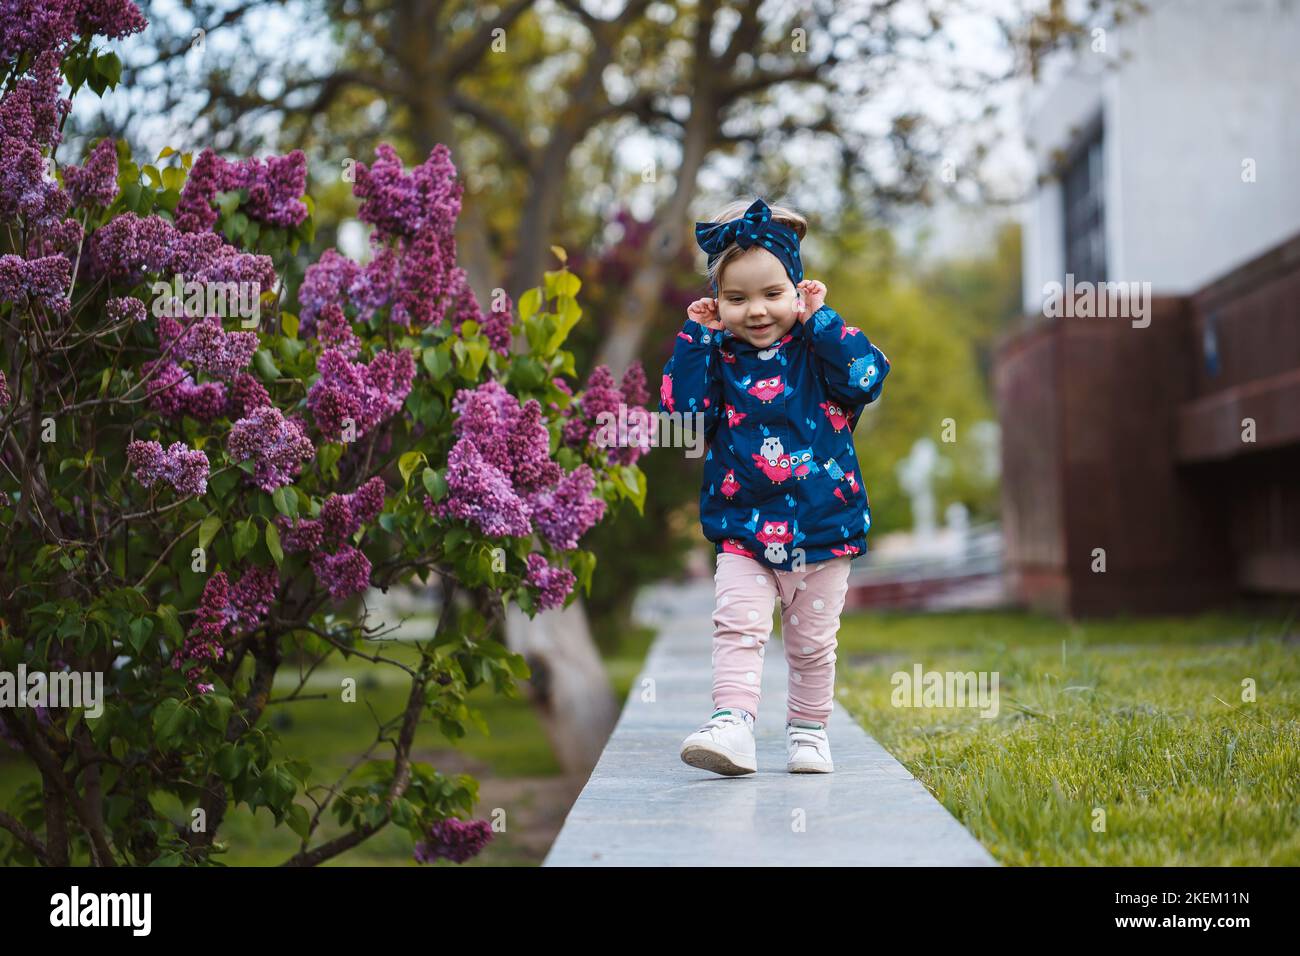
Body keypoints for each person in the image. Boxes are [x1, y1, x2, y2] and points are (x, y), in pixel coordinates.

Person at [660, 196, 892, 775]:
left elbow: (868, 377)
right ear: (717, 304)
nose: (756, 311)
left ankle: (809, 733)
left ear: (798, 290)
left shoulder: (818, 349)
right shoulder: (716, 356)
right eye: (736, 299)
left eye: (772, 294)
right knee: (737, 626)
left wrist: (824, 321)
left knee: (812, 645)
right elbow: (682, 416)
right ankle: (732, 724)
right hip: (743, 527)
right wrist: (693, 341)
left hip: (823, 527)